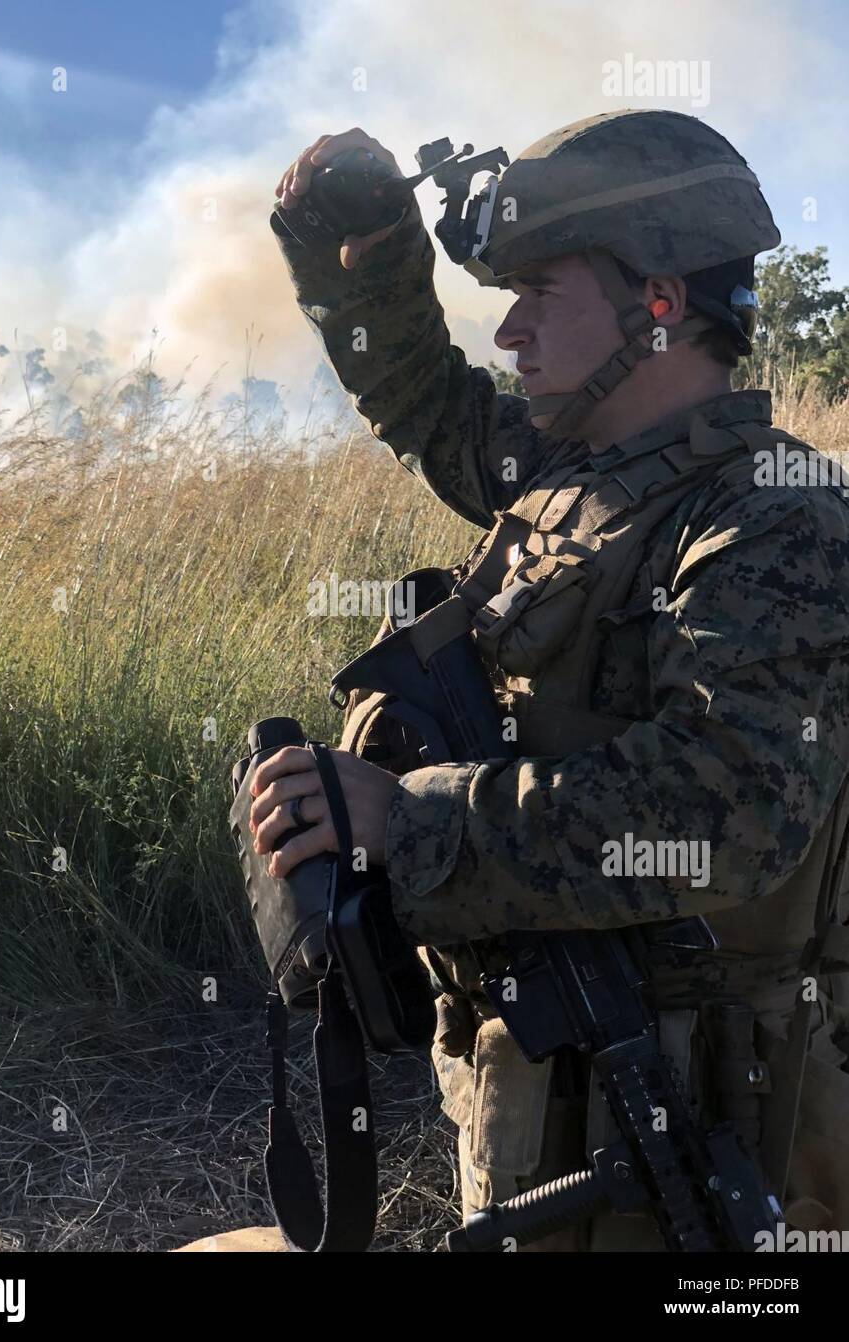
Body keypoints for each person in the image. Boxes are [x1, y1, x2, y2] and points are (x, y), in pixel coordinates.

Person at [248, 110, 849, 1249]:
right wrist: (366, 262)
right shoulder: (583, 476)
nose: (512, 330)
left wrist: (406, 819)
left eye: (540, 294)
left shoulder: (774, 518)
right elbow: (423, 398)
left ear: (659, 303)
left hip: (714, 1127)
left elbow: (727, 814)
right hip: (553, 1101)